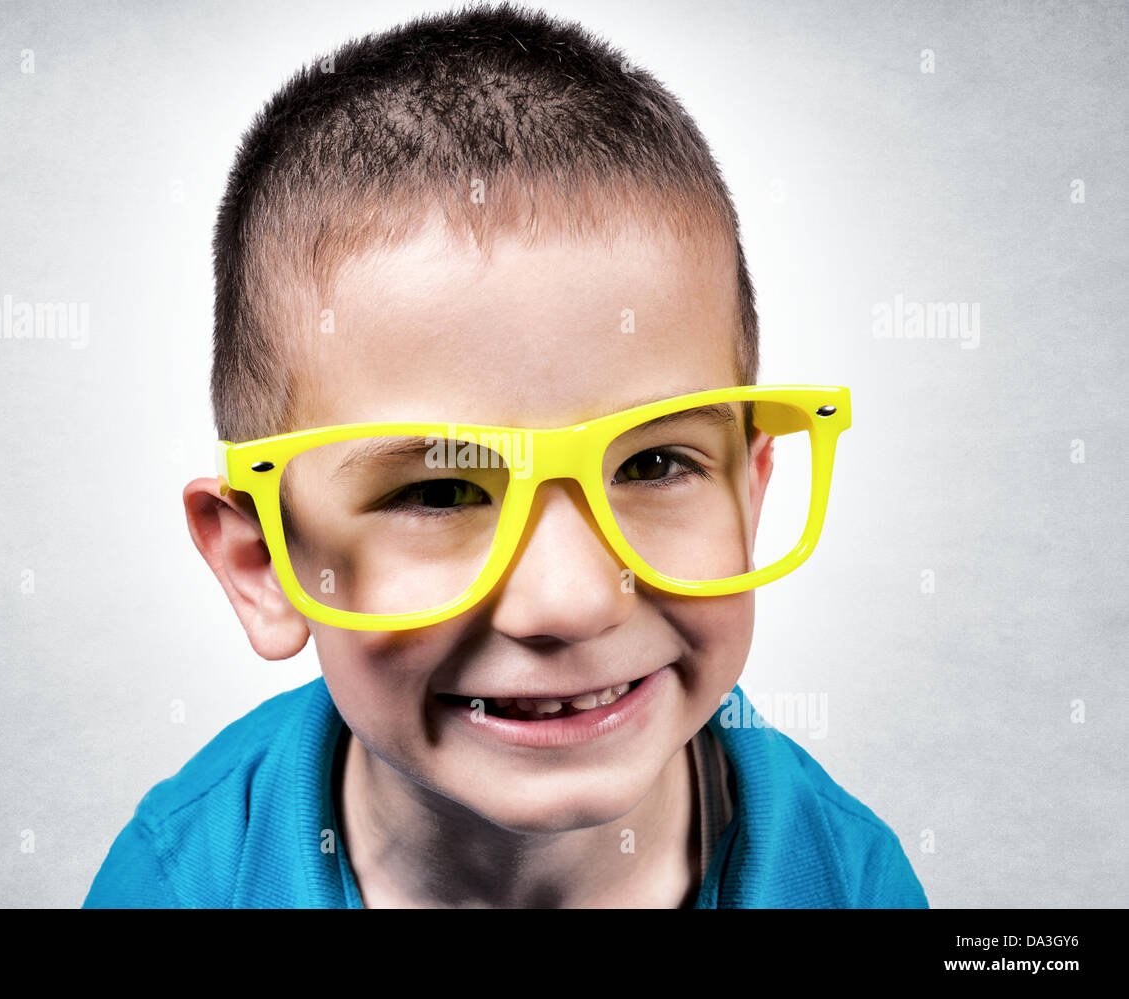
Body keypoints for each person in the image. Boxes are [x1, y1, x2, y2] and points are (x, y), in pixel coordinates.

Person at [83, 2, 928, 908]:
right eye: (441, 489)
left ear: (745, 501)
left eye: (654, 466)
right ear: (263, 562)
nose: (571, 600)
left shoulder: (850, 881)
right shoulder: (178, 884)